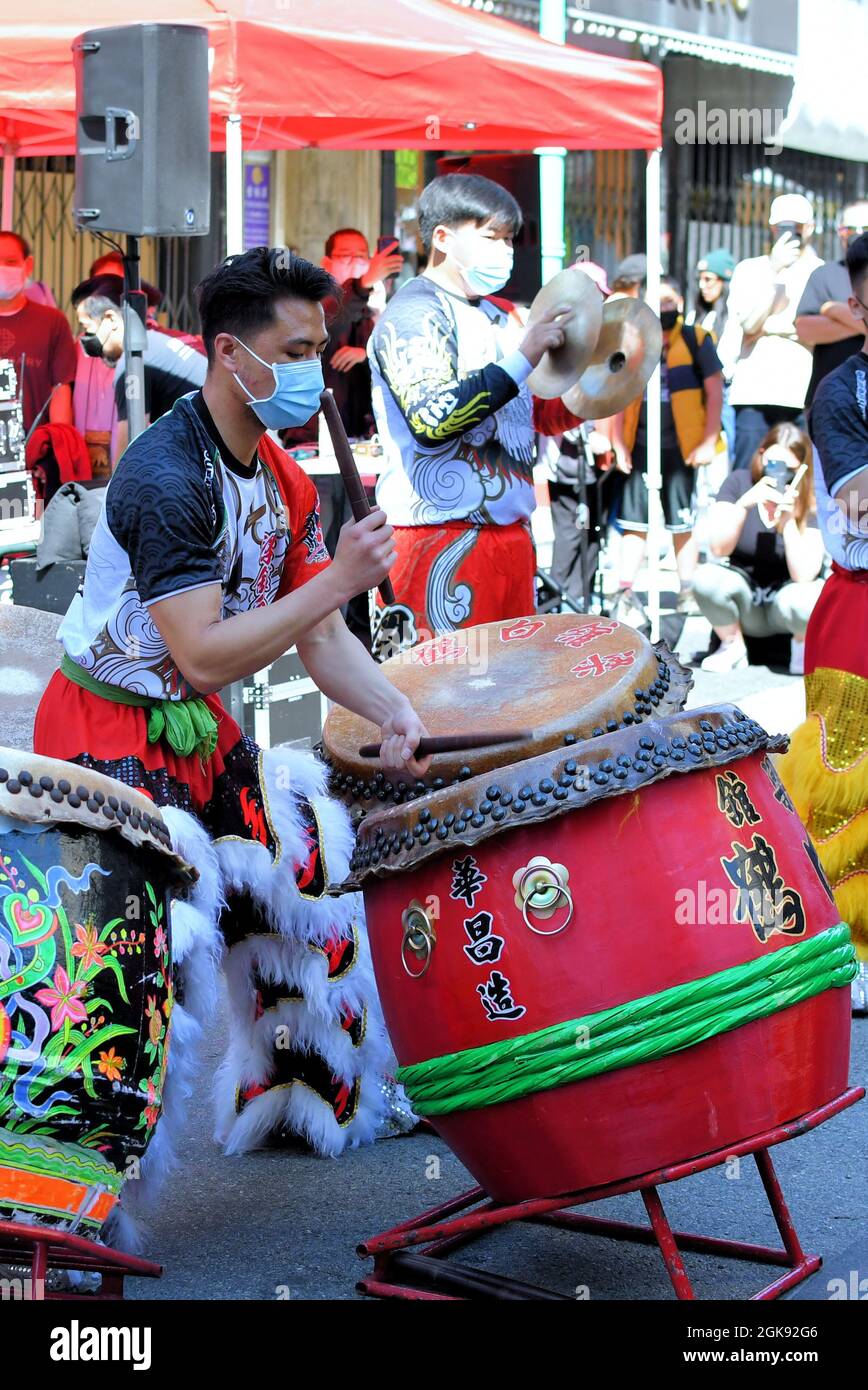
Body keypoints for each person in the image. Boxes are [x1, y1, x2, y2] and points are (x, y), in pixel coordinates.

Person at [34, 246, 431, 1163]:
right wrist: (338, 578)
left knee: (302, 885)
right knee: (120, 965)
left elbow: (320, 640)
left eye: (321, 347)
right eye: (295, 351)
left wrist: (392, 712)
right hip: (107, 733)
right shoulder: (166, 475)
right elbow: (205, 654)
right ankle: (74, 1180)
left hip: (198, 731)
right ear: (226, 353)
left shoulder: (283, 475)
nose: (317, 371)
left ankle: (307, 1096)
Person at [368, 173, 583, 654]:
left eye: (509, 239)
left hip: (511, 539)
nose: (505, 250)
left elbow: (538, 418)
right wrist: (524, 356)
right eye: (491, 237)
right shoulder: (413, 312)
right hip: (436, 538)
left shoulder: (503, 315)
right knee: (441, 705)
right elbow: (432, 418)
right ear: (442, 237)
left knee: (512, 703)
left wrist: (604, 376)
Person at [778, 231, 868, 1014]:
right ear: (858, 302)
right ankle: (855, 942)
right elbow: (860, 494)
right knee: (847, 777)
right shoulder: (843, 391)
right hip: (861, 603)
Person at [608, 276, 724, 613]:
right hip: (641, 443)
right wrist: (618, 442)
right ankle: (626, 590)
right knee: (634, 521)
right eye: (658, 302)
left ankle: (687, 588)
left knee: (682, 520)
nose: (664, 308)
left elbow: (715, 391)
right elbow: (617, 392)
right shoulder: (633, 342)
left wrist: (708, 440)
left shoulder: (697, 339)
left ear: (681, 304)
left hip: (682, 447)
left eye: (670, 301)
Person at [692, 423, 824, 673]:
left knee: (812, 594)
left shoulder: (807, 496)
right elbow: (718, 548)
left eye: (788, 468)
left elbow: (805, 575)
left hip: (785, 605)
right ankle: (732, 645)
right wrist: (743, 506)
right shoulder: (739, 482)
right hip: (744, 599)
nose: (777, 473)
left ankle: (801, 650)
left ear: (801, 469)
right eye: (771, 463)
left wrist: (789, 523)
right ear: (760, 454)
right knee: (705, 578)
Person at [720, 193, 821, 473]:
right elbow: (750, 324)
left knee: (799, 478)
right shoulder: (750, 269)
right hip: (753, 390)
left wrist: (774, 327)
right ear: (772, 228)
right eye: (783, 227)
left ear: (810, 227)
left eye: (796, 227)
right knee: (745, 473)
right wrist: (774, 271)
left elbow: (816, 329)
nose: (789, 234)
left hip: (801, 392)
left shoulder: (820, 273)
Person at [72, 274, 207, 464]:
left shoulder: (134, 360)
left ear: (110, 319)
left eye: (87, 328)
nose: (85, 338)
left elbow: (128, 455)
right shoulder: (155, 343)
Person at [320, 227, 403, 439]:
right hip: (316, 438)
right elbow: (329, 321)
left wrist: (367, 355)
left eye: (361, 256)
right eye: (346, 256)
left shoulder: (377, 309)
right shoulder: (313, 304)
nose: (355, 262)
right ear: (326, 263)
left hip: (365, 438)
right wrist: (362, 284)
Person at [0, 231, 77, 432]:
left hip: (34, 453)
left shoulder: (52, 322)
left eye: (10, 261)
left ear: (28, 265)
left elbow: (60, 390)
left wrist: (59, 443)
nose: (3, 269)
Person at [796, 200, 868, 408]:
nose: (858, 234)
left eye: (865, 228)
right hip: (831, 400)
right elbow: (805, 329)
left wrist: (833, 310)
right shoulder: (823, 275)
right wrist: (860, 323)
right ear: (839, 232)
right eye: (850, 229)